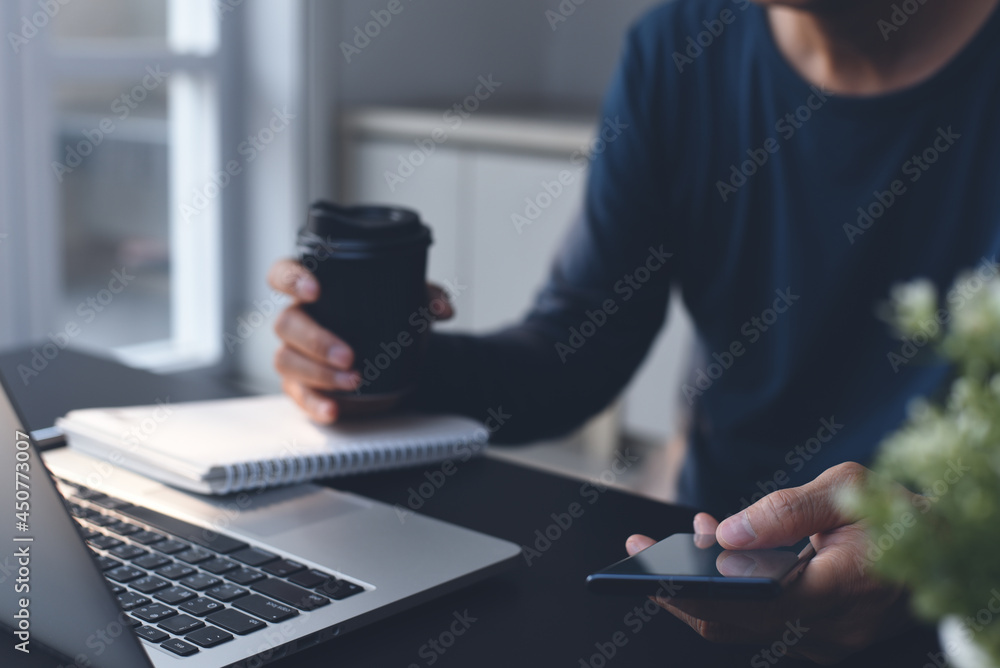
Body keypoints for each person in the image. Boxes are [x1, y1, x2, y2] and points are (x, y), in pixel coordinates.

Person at [268, 0, 1000, 661]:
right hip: (710, 568)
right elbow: (571, 357)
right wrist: (380, 363)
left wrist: (952, 547)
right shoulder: (680, 49)